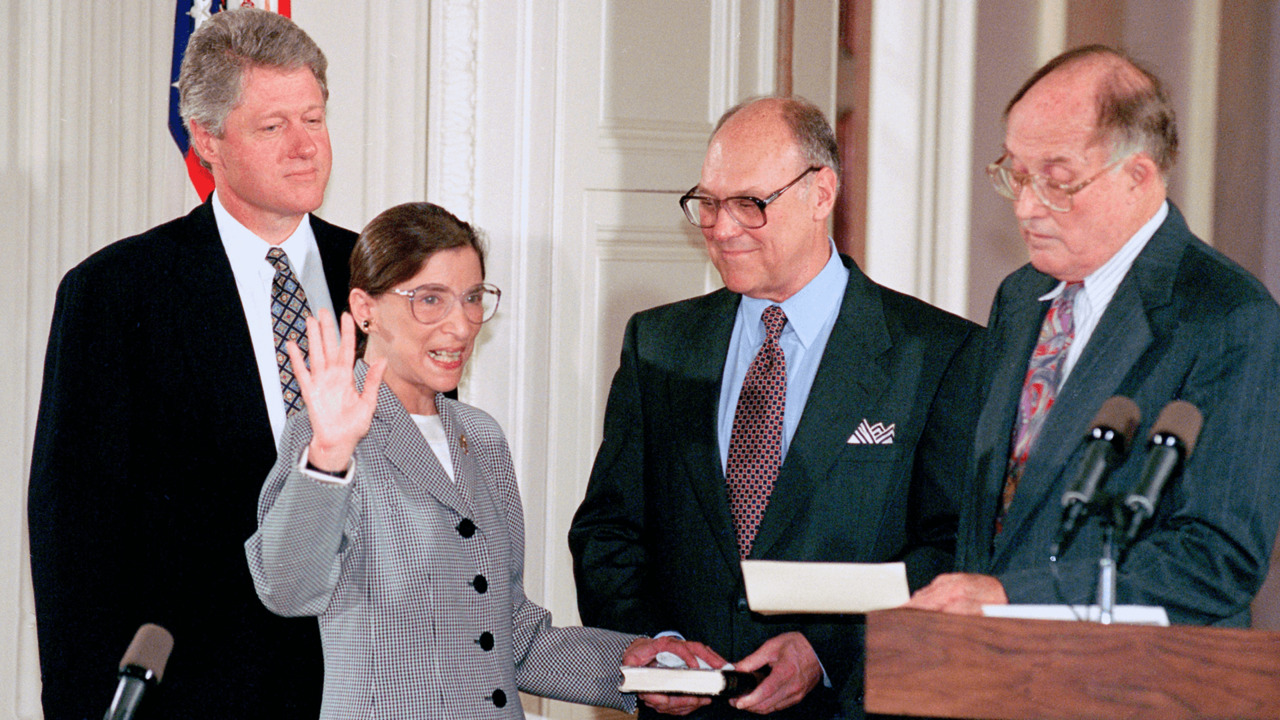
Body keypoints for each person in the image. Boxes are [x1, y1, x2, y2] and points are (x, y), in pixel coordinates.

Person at [568, 96, 981, 719]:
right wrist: (661, 652)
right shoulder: (659, 343)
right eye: (707, 203)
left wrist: (827, 652)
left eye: (749, 204)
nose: (722, 227)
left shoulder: (940, 354)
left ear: (822, 193)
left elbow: (951, 550)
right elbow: (609, 532)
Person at [245, 202, 716, 719]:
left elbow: (507, 635)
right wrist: (330, 455)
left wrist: (631, 664)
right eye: (430, 299)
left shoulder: (481, 437)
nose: (461, 325)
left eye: (472, 298)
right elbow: (286, 589)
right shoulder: (324, 434)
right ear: (365, 308)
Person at [28, 8, 353, 718]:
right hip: (202, 690)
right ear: (207, 140)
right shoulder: (116, 292)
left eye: (315, 118)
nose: (306, 148)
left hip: (370, 684)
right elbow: (74, 535)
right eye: (273, 127)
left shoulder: (377, 273)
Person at [907, 46, 1280, 626]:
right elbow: (993, 515)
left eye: (1056, 182)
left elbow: (1217, 556)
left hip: (1136, 690)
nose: (1027, 206)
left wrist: (1015, 599)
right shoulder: (1020, 296)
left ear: (1138, 176)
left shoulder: (1227, 315)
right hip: (990, 679)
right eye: (1016, 175)